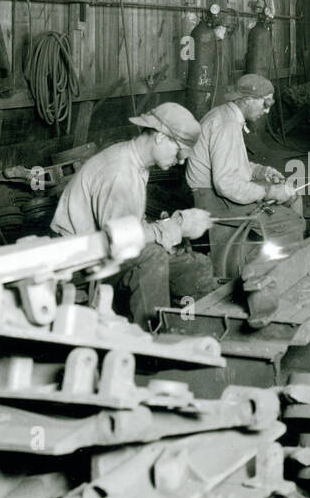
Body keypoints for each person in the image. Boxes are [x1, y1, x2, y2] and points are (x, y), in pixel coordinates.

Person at [50, 102, 213, 328]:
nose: (182, 160)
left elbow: (132, 224)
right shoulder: (119, 172)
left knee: (196, 266)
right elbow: (121, 238)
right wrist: (170, 228)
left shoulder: (136, 164)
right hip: (82, 263)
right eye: (180, 151)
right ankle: (151, 339)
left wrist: (169, 232)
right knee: (153, 256)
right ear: (160, 137)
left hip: (107, 254)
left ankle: (190, 324)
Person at [185, 74, 301, 274]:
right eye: (264, 104)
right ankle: (268, 277)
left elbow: (232, 163)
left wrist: (261, 170)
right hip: (214, 199)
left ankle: (264, 264)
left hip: (219, 194)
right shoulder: (226, 125)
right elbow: (226, 184)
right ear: (247, 100)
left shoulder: (226, 116)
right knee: (290, 223)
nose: (266, 110)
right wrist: (268, 192)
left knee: (292, 194)